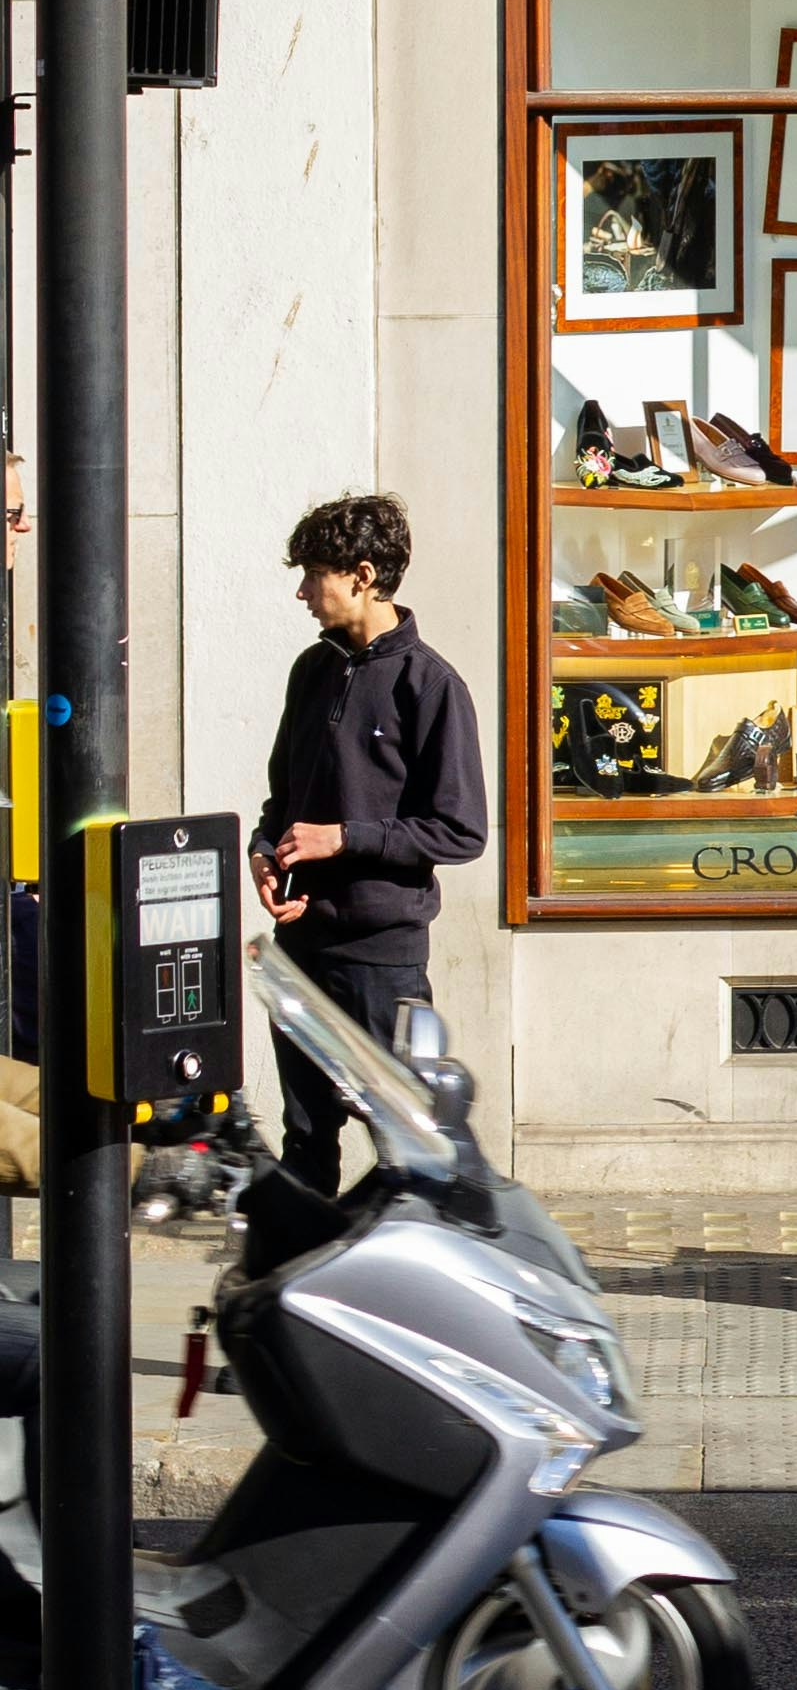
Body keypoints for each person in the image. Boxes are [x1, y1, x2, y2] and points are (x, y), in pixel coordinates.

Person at [248, 493, 489, 1189]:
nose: (301, 591)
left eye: (313, 574)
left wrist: (344, 840)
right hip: (302, 952)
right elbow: (281, 801)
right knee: (304, 1143)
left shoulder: (431, 686)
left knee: (405, 1151)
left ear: (360, 575)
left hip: (383, 961)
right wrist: (264, 854)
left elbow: (460, 828)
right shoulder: (311, 672)